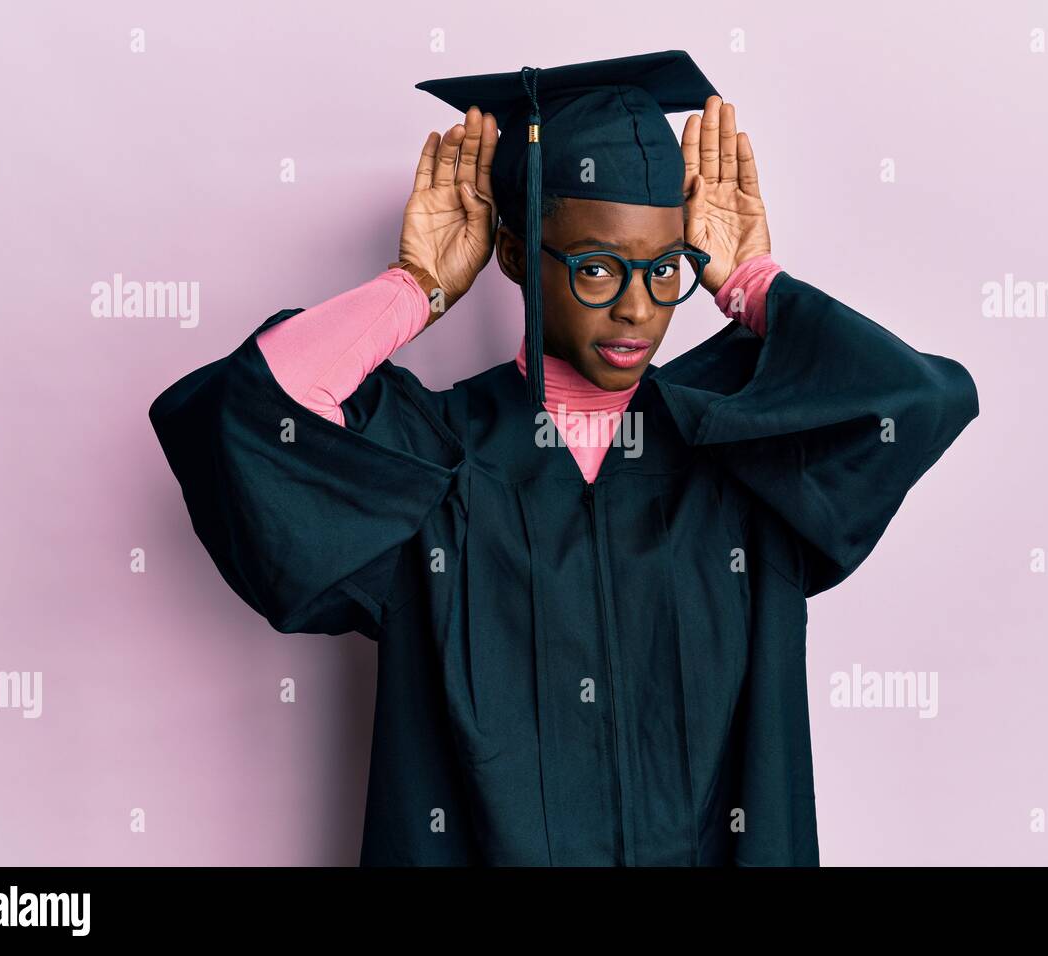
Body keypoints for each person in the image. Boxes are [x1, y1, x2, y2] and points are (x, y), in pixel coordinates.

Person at [149, 50, 980, 866]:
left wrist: (752, 282)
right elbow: (242, 413)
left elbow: (920, 403)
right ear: (515, 257)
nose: (637, 309)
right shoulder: (436, 460)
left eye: (664, 272)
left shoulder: (733, 451)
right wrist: (414, 289)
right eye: (594, 269)